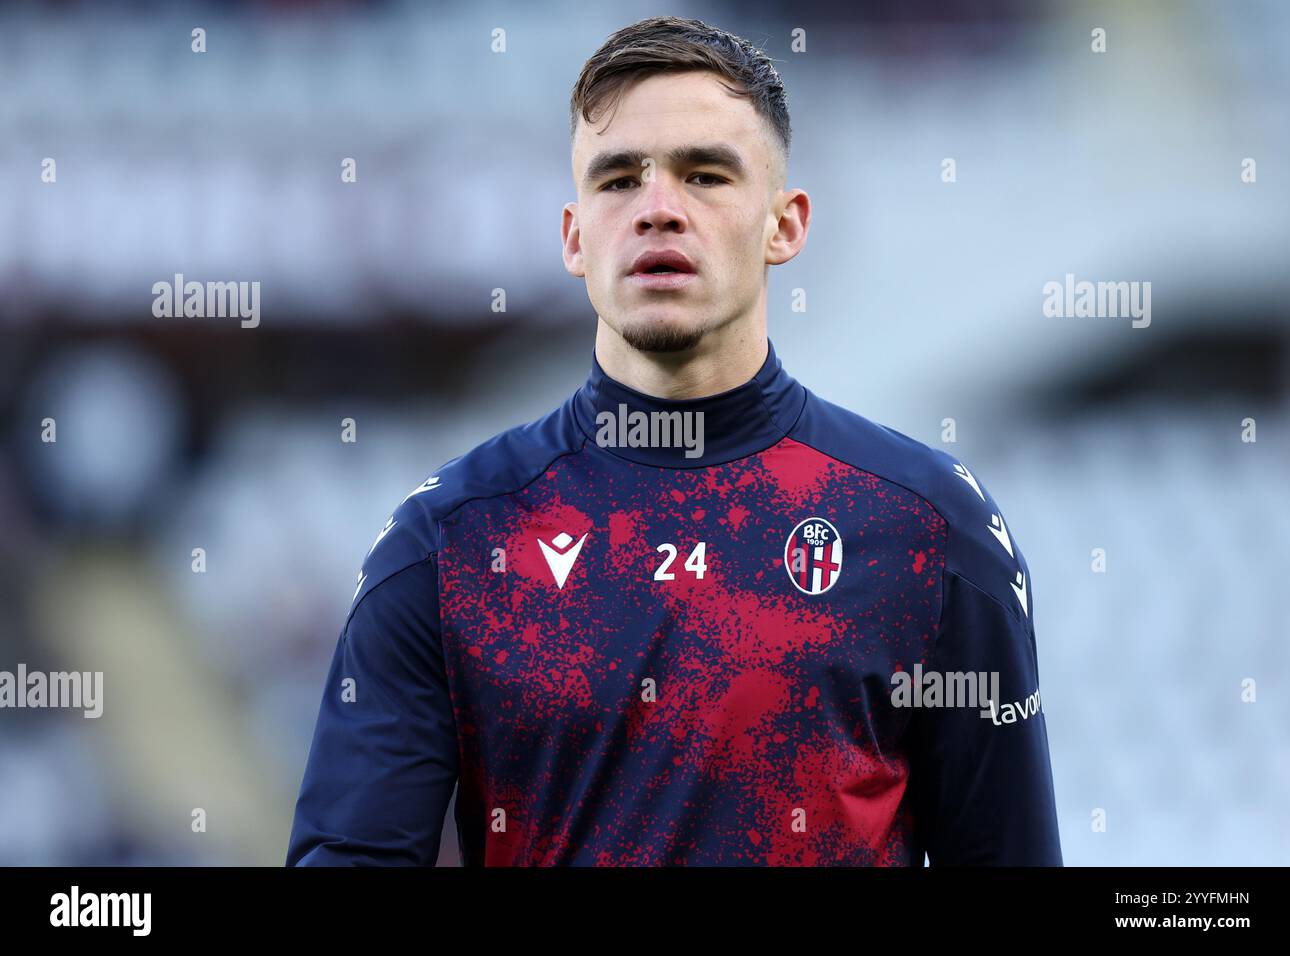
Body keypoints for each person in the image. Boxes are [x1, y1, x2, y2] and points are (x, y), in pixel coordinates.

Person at [286, 15, 1062, 866]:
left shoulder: (926, 528)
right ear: (575, 238)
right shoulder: (450, 543)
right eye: (619, 180)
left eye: (705, 174)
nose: (659, 210)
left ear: (785, 225)